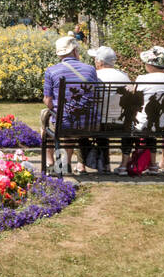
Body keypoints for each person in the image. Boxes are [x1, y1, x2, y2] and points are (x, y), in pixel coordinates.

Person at [41, 34, 98, 175]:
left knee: (46, 120)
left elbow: (48, 101)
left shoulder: (52, 71)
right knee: (70, 122)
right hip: (90, 123)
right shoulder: (90, 69)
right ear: (75, 51)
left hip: (66, 123)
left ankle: (51, 162)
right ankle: (64, 164)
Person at [132, 46, 164, 173]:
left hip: (146, 126)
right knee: (161, 121)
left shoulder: (142, 79)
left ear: (150, 64)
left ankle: (151, 163)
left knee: (144, 121)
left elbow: (135, 101)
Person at [86, 45, 132, 173]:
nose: (94, 61)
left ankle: (105, 164)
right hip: (122, 124)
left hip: (99, 124)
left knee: (100, 118)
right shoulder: (124, 76)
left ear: (100, 62)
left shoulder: (95, 76)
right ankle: (123, 164)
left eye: (95, 59)